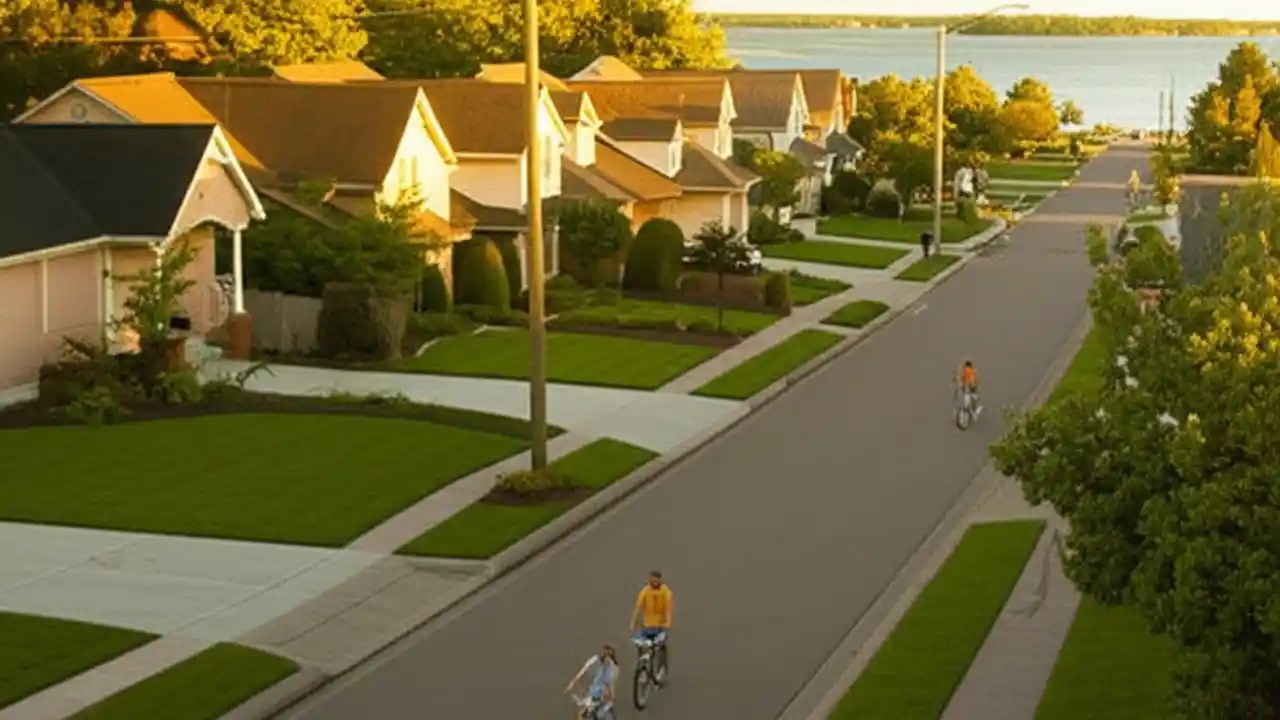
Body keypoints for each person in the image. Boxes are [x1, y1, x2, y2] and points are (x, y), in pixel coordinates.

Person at [565, 645, 618, 720]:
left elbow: (610, 684)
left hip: (599, 696)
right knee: (582, 714)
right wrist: (572, 683)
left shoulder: (610, 668)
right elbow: (583, 671)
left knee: (587, 713)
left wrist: (611, 695)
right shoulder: (595, 661)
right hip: (592, 695)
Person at [630, 570, 673, 644]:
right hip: (648, 625)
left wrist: (668, 622)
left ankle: (657, 641)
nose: (654, 583)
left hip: (660, 626)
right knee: (640, 639)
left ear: (660, 580)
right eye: (653, 580)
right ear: (650, 580)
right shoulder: (645, 591)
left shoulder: (666, 591)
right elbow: (638, 608)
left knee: (660, 639)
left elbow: (668, 608)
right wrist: (632, 623)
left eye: (656, 580)